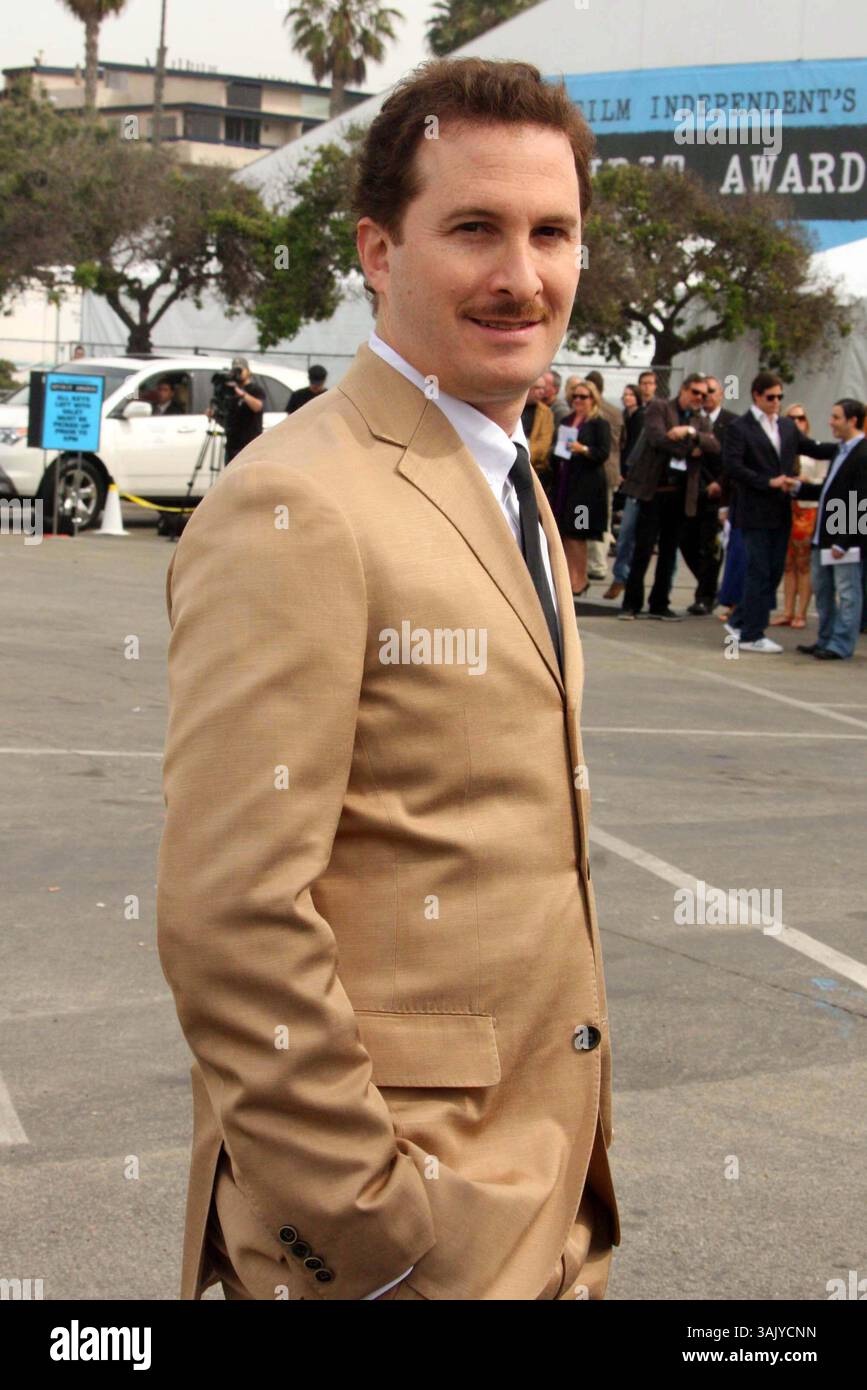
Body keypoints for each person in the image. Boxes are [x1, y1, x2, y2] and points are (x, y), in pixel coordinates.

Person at [157, 55, 618, 1305]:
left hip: (543, 1200)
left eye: (551, 231)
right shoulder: (297, 499)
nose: (522, 275)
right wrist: (374, 1236)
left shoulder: (506, 472)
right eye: (474, 228)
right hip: (403, 1241)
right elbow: (231, 914)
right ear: (377, 247)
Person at [721, 372, 829, 653]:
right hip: (754, 509)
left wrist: (847, 446)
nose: (776, 402)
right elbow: (733, 466)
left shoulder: (786, 426)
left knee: (772, 571)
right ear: (757, 395)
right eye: (771, 397)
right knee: (758, 569)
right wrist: (767, 482)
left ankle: (741, 619)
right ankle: (751, 634)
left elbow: (811, 448)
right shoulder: (739, 428)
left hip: (780, 510)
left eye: (780, 397)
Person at [619, 373, 719, 620]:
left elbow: (713, 445)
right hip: (654, 491)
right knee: (643, 548)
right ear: (684, 390)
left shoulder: (699, 420)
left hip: (681, 495)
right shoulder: (660, 407)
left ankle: (659, 602)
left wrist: (688, 433)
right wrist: (690, 449)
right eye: (696, 392)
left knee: (669, 551)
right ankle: (631, 603)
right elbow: (657, 438)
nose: (700, 398)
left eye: (704, 395)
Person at [793, 398, 867, 661]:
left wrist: (845, 541)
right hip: (824, 533)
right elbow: (828, 489)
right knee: (822, 589)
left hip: (843, 535)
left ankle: (841, 644)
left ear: (852, 420)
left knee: (847, 592)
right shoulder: (841, 451)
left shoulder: (862, 453)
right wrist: (798, 488)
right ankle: (825, 638)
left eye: (836, 417)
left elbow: (861, 500)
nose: (831, 422)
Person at [676, 376, 736, 615]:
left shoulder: (730, 422)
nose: (705, 397)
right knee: (686, 542)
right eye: (701, 393)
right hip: (691, 490)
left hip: (716, 493)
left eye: (711, 391)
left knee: (710, 547)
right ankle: (708, 584)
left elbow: (730, 457)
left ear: (721, 394)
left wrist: (721, 483)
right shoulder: (693, 420)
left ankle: (705, 596)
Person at [552, 378, 611, 598]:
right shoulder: (567, 420)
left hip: (586, 490)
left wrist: (583, 449)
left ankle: (580, 579)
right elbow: (558, 448)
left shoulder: (598, 423)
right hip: (566, 483)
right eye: (575, 396)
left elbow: (603, 453)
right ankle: (568, 578)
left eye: (583, 397)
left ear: (593, 399)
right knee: (565, 533)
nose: (578, 400)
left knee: (578, 533)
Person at [770, 404, 826, 630]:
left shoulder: (815, 450)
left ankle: (801, 612)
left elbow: (823, 481)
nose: (796, 422)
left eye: (801, 418)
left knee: (804, 564)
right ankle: (787, 610)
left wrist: (803, 480)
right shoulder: (781, 448)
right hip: (786, 508)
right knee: (788, 563)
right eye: (791, 418)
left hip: (808, 509)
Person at [604, 383, 643, 600]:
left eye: (631, 394)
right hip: (624, 473)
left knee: (628, 532)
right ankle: (620, 577)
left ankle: (622, 577)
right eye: (625, 394)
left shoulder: (640, 417)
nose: (627, 398)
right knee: (625, 533)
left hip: (633, 478)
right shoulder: (624, 416)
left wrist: (626, 471)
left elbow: (633, 449)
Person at [584, 370, 623, 581]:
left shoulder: (599, 415)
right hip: (610, 470)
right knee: (601, 519)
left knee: (597, 520)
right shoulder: (616, 412)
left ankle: (597, 564)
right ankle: (595, 563)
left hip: (600, 470)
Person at [213, 356, 266, 464]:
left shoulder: (255, 389)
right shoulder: (230, 392)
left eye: (240, 370)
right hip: (232, 445)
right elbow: (227, 420)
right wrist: (215, 415)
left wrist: (243, 395)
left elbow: (258, 407)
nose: (238, 374)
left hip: (249, 445)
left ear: (248, 371)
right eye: (235, 370)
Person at [521, 374, 555, 474]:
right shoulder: (512, 408)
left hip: (533, 468)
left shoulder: (546, 413)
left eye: (543, 388)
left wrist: (521, 456)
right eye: (537, 388)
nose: (541, 391)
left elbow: (544, 444)